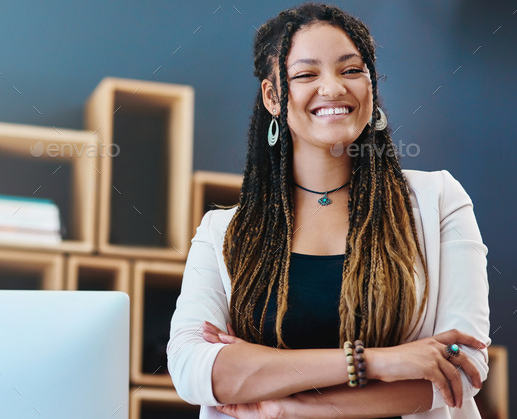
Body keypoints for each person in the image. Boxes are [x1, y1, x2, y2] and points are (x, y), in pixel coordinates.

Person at [167, 3, 490, 418]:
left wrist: (290, 409)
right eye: (306, 74)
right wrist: (379, 361)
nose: (333, 88)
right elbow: (195, 371)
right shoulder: (223, 232)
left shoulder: (439, 200)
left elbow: (463, 368)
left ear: (371, 84)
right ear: (272, 96)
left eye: (351, 70)